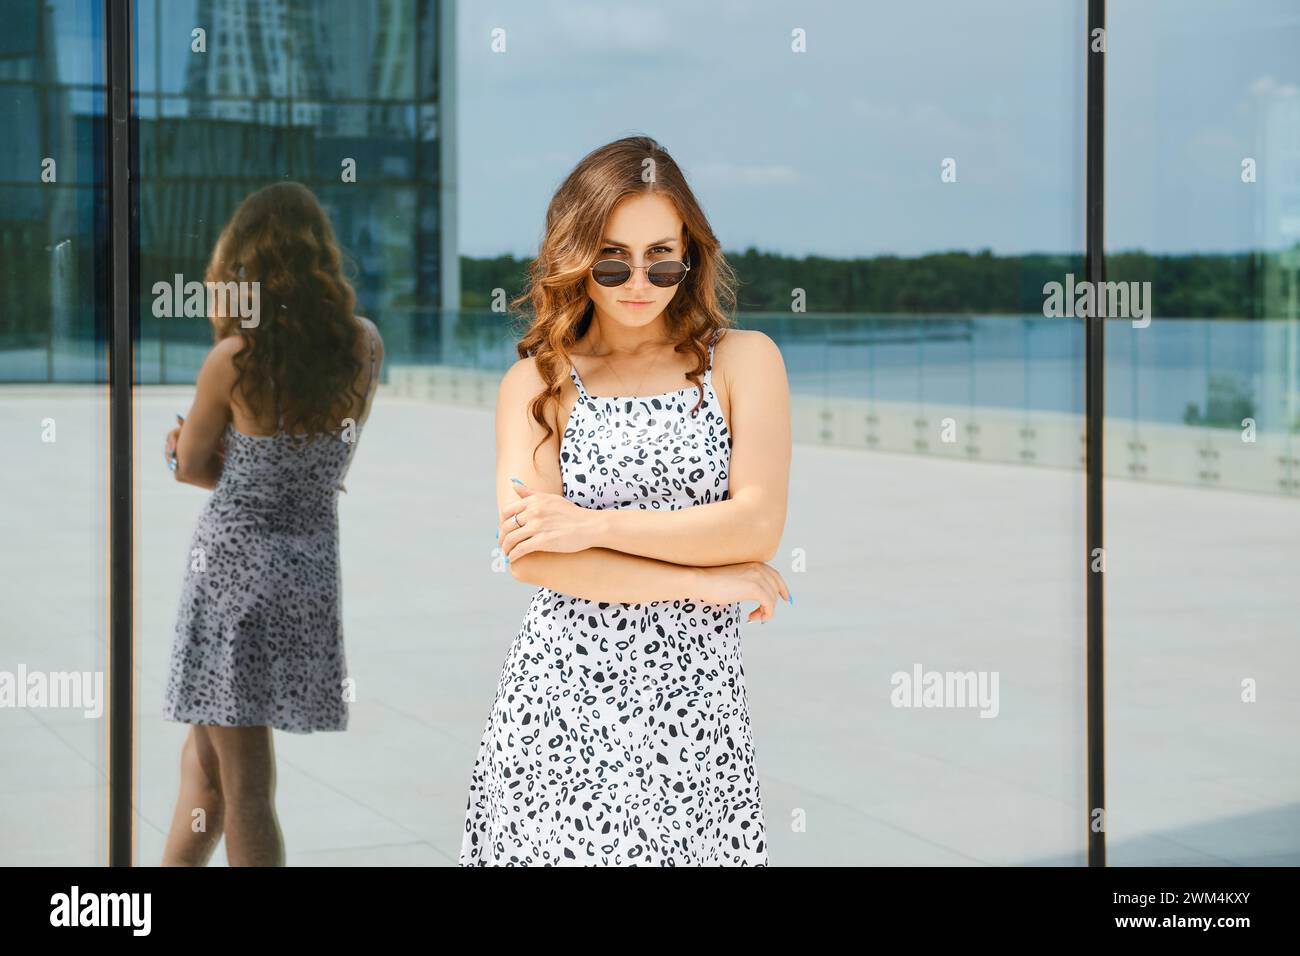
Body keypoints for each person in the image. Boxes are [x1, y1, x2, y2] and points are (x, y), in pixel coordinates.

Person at [460, 136, 792, 866]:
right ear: (576, 255)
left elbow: (755, 525)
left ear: (690, 256)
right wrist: (704, 579)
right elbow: (538, 561)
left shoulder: (744, 362)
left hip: (697, 725)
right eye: (612, 257)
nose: (639, 280)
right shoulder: (536, 385)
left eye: (661, 258)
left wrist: (592, 526)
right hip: (561, 716)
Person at [159, 182, 383, 866]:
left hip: (234, 572)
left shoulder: (234, 360)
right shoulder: (365, 346)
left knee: (247, 785)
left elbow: (195, 467)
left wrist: (179, 446)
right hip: (307, 567)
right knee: (206, 760)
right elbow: (325, 463)